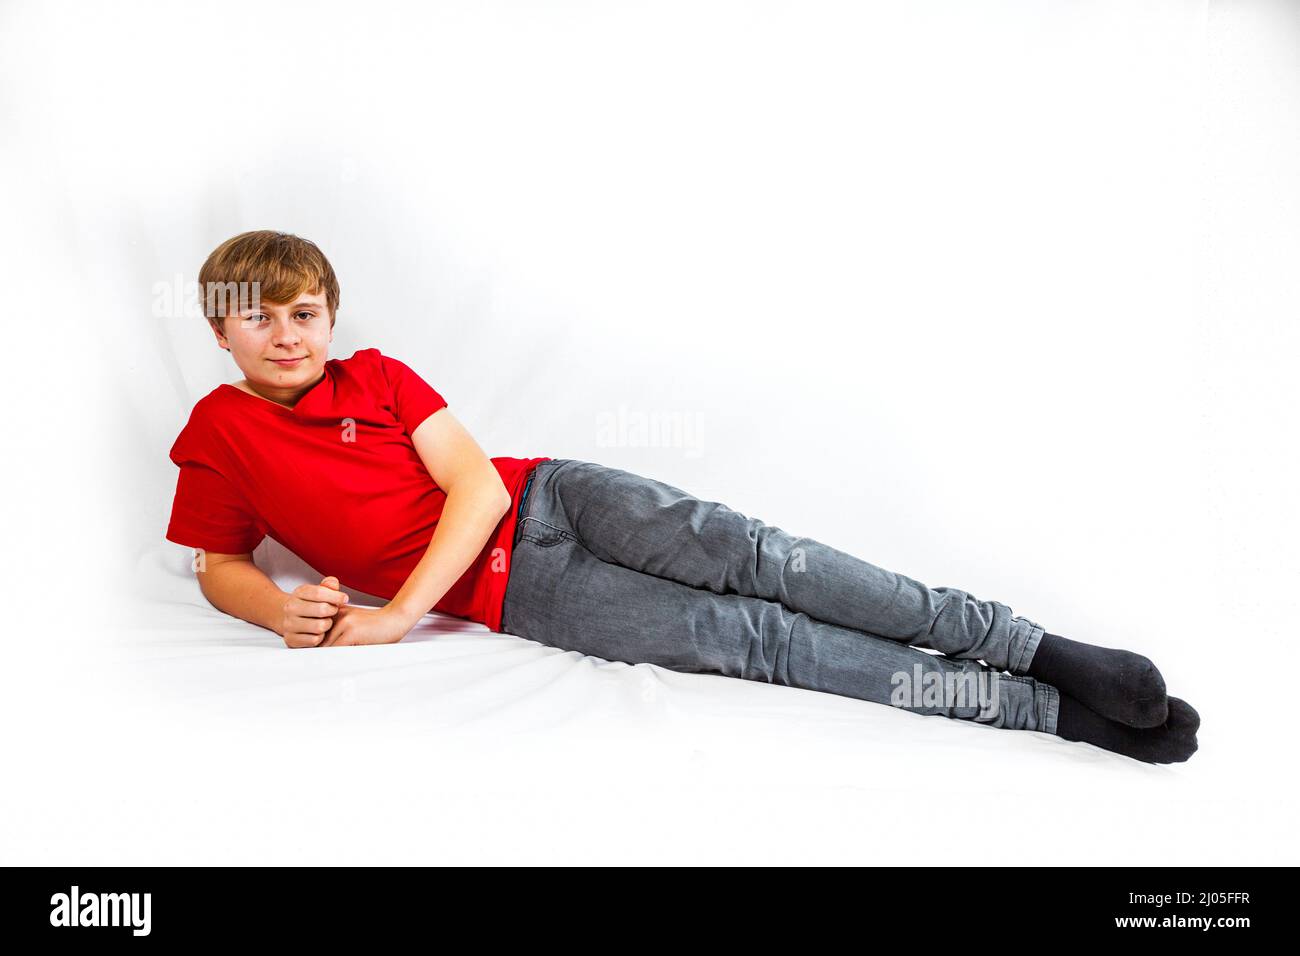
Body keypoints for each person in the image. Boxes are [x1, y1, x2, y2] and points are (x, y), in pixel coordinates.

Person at [167, 230, 1199, 764]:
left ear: (332, 315)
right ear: (221, 332)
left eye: (305, 311)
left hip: (555, 498)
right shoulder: (220, 430)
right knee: (756, 638)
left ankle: (1027, 645)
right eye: (258, 318)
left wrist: (395, 613)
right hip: (522, 595)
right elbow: (216, 563)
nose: (288, 333)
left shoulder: (380, 377)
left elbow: (475, 486)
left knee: (770, 557)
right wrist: (279, 606)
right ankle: (1039, 712)